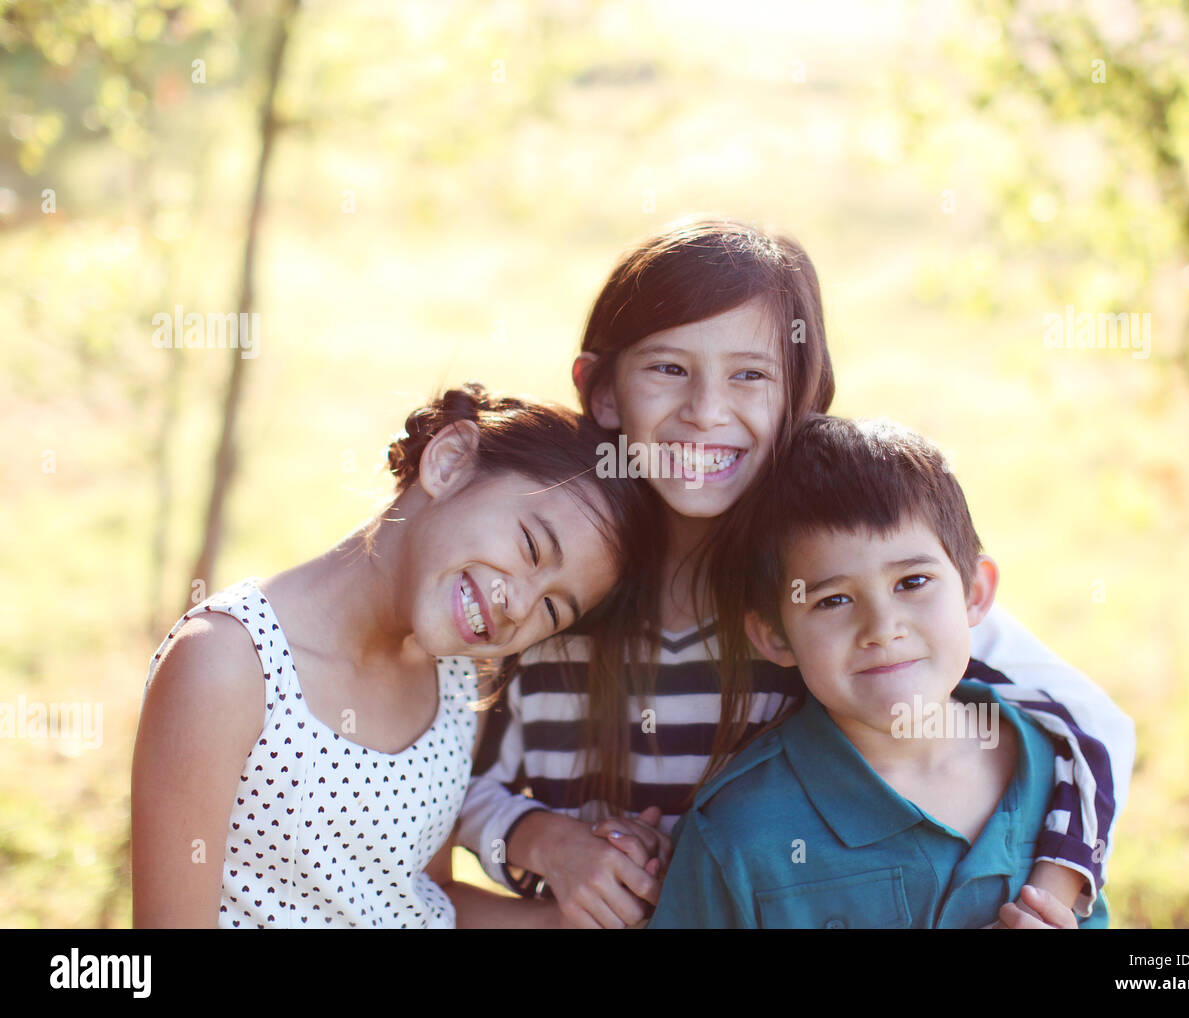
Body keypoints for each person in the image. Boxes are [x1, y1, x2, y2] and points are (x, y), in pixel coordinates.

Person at [456, 219, 1135, 929]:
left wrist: (1053, 898)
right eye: (667, 368)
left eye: (749, 375)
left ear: (799, 397)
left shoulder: (845, 587)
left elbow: (1084, 727)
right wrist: (547, 843)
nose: (706, 411)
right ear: (601, 392)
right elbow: (447, 786)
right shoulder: (556, 588)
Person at [131, 383, 656, 928]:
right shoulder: (226, 664)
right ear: (450, 461)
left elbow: (422, 897)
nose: (519, 604)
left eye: (552, 609)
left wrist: (571, 917)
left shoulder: (460, 683)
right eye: (530, 546)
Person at [648, 415, 1110, 928]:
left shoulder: (1056, 765)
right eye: (834, 599)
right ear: (776, 636)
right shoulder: (738, 834)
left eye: (912, 582)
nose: (882, 628)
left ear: (974, 593)